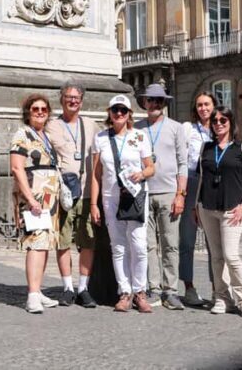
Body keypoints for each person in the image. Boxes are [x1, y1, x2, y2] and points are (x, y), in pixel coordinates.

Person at [90, 94, 155, 313]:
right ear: (109, 113)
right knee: (118, 246)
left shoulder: (139, 136)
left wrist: (141, 174)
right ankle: (124, 291)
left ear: (129, 115)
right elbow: (96, 174)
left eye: (123, 110)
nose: (119, 114)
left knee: (138, 244)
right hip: (111, 197)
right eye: (115, 110)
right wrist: (94, 204)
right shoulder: (100, 138)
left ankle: (140, 291)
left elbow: (151, 167)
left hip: (135, 195)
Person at [197, 106, 242, 319]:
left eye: (223, 120)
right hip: (208, 207)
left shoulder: (241, 147)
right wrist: (197, 205)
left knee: (231, 256)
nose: (218, 123)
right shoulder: (206, 147)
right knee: (216, 257)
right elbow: (202, 178)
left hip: (232, 209)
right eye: (214, 120)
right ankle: (222, 298)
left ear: (231, 122)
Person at [44, 81, 100, 308]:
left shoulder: (91, 125)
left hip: (88, 191)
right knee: (63, 241)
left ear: (82, 101)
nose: (72, 100)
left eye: (76, 97)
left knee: (88, 241)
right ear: (62, 99)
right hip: (64, 193)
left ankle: (83, 287)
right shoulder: (51, 126)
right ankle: (67, 287)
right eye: (68, 97)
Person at [135, 83, 187, 310]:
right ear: (145, 103)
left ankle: (171, 290)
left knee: (170, 244)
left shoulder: (176, 128)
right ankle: (153, 288)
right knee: (147, 244)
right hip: (144, 192)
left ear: (164, 103)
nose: (154, 103)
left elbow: (183, 164)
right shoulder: (137, 129)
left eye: (158, 100)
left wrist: (180, 194)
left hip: (168, 192)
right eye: (150, 100)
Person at [11, 93, 63, 314]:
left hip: (50, 198)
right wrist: (30, 199)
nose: (40, 112)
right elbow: (16, 167)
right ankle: (32, 294)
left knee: (46, 243)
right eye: (35, 109)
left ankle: (38, 290)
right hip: (35, 196)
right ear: (28, 113)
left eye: (44, 109)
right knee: (35, 242)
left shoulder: (46, 136)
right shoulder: (22, 134)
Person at [180, 91, 217, 307]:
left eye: (207, 104)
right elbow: (182, 158)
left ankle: (216, 289)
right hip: (192, 182)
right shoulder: (188, 129)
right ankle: (189, 287)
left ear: (214, 106)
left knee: (215, 241)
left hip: (213, 186)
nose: (203, 108)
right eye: (200, 105)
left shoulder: (220, 127)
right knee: (187, 238)